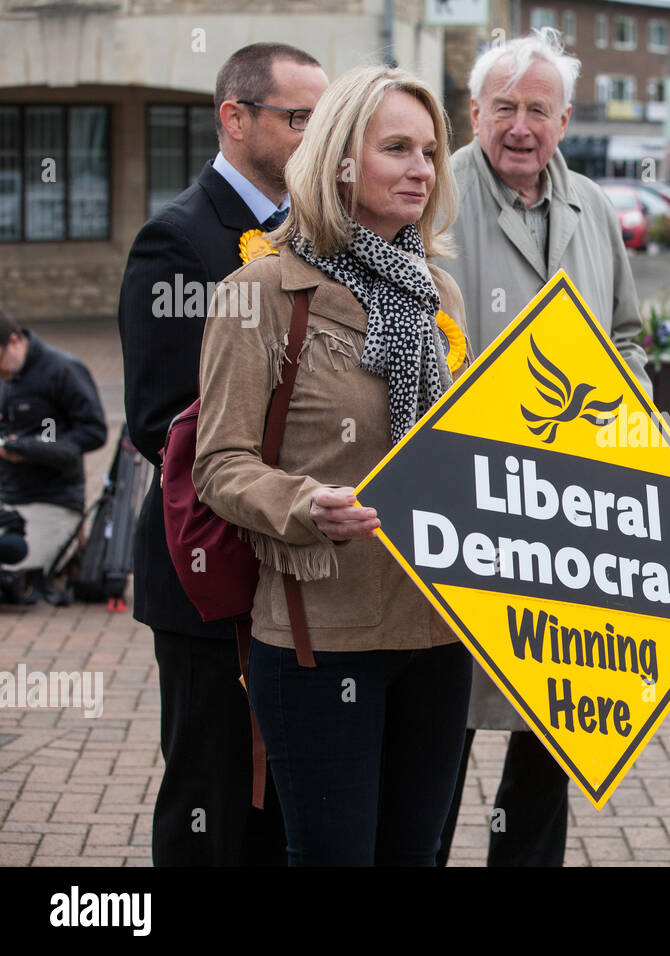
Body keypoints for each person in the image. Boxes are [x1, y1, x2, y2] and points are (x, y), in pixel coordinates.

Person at [435, 26, 670, 868]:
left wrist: (638, 434)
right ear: (474, 111)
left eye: (540, 111)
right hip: (466, 502)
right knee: (438, 730)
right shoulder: (432, 195)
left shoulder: (592, 204)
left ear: (565, 119)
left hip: (571, 511)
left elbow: (624, 336)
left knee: (557, 725)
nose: (522, 127)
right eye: (505, 108)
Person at [192, 64, 475, 867]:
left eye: (429, 151)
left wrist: (649, 481)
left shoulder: (438, 295)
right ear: (339, 160)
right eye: (396, 148)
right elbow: (221, 463)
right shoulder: (263, 291)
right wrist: (306, 503)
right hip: (322, 643)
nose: (421, 169)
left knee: (414, 858)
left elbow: (481, 452)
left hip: (440, 631)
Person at [116, 41, 327, 866]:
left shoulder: (315, 236)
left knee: (279, 801)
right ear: (234, 119)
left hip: (298, 570)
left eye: (323, 116)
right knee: (211, 794)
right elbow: (162, 422)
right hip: (207, 570)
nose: (317, 134)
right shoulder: (177, 241)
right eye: (299, 118)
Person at [0, 309, 106, 597]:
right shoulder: (6, 377)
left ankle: (67, 552)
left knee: (12, 576)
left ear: (13, 341)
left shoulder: (63, 370)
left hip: (53, 500)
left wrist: (34, 449)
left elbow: (95, 432)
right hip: (8, 502)